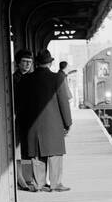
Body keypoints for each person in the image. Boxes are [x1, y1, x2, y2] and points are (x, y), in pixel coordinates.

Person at [15, 49, 73, 191]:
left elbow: (20, 105)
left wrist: (23, 124)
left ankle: (39, 184)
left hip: (32, 125)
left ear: (36, 63)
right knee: (54, 154)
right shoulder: (57, 78)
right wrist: (68, 123)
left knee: (37, 155)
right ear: (50, 63)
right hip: (53, 124)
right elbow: (63, 103)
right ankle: (55, 184)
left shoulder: (26, 79)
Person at [12, 49, 38, 191]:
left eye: (30, 62)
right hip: (17, 118)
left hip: (30, 119)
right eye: (25, 62)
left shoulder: (33, 77)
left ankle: (29, 178)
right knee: (17, 150)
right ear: (18, 63)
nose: (28, 65)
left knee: (29, 150)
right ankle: (21, 179)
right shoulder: (12, 79)